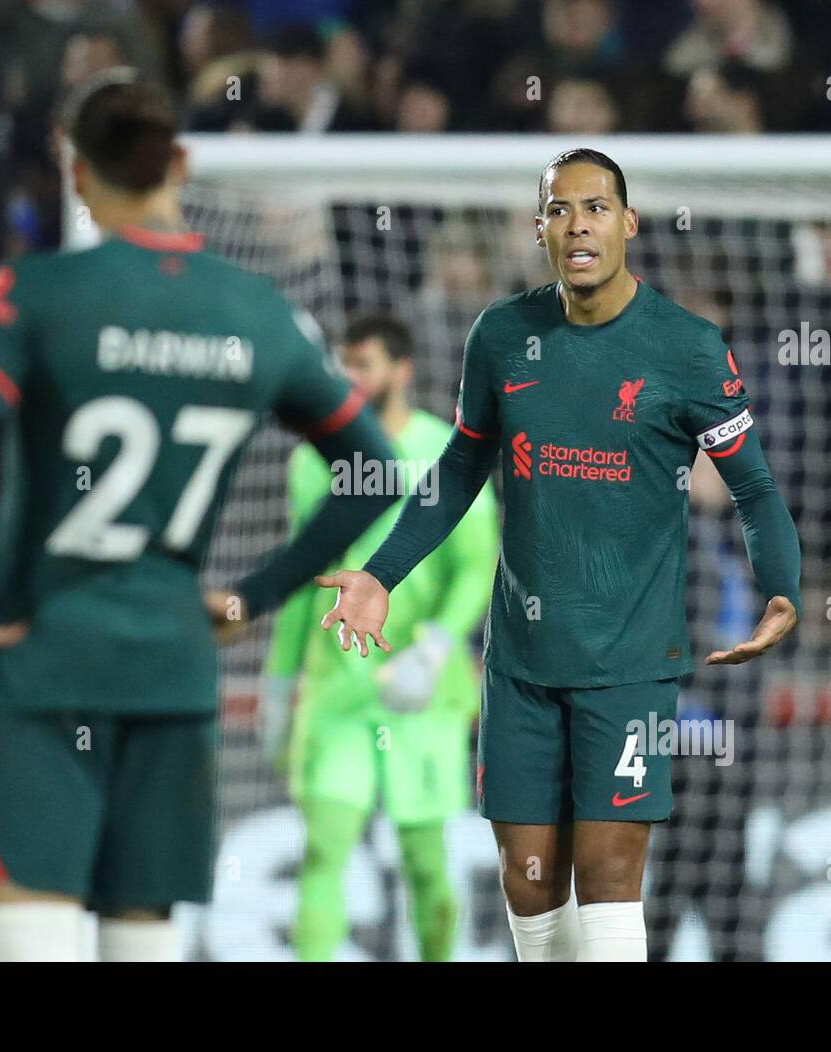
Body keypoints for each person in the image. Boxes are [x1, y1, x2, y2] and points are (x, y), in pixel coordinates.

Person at [0, 71, 396, 963]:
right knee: (145, 936)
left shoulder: (32, 293)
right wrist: (250, 599)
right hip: (172, 668)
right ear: (179, 161)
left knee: (32, 923)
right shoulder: (260, 313)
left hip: (41, 658)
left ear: (75, 169)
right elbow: (375, 470)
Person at [318, 148, 802, 962]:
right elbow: (459, 470)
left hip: (632, 663)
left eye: (597, 207)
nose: (578, 223)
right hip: (522, 663)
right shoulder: (503, 336)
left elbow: (751, 486)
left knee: (609, 874)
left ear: (628, 224)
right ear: (540, 227)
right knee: (530, 880)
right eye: (559, 209)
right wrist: (379, 573)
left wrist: (781, 585)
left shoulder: (684, 348)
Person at [261, 314, 499, 961]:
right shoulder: (314, 461)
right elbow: (305, 573)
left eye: (364, 364)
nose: (351, 379)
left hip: (421, 694)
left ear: (401, 370)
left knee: (427, 868)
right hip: (337, 690)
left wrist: (437, 647)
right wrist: (280, 682)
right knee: (324, 853)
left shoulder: (448, 454)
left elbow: (477, 565)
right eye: (345, 365)